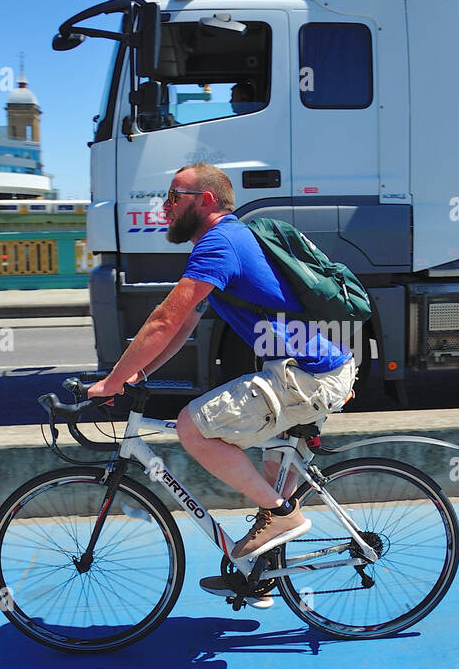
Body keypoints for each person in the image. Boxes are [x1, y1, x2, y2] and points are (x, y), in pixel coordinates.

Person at [86, 162, 357, 605]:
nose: (165, 207)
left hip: (306, 375)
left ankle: (281, 516)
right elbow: (180, 328)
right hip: (312, 369)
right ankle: (262, 571)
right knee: (273, 480)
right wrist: (139, 374)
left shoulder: (219, 243)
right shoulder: (226, 243)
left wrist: (112, 382)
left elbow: (162, 318)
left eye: (174, 196)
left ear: (205, 201)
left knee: (192, 426)